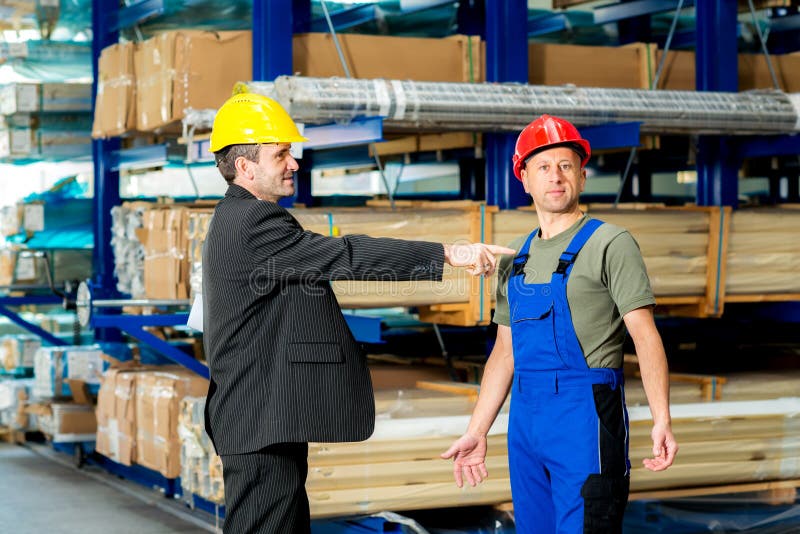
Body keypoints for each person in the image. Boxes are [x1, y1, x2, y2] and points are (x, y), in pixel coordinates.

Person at [201, 92, 514, 534]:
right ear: (246, 167)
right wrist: (450, 253)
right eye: (281, 154)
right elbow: (347, 256)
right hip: (259, 419)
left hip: (263, 416)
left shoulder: (236, 218)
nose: (293, 163)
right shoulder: (253, 222)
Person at [441, 115, 678, 533]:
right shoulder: (516, 256)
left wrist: (662, 418)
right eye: (544, 167)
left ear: (582, 177)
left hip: (584, 415)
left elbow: (645, 335)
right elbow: (504, 351)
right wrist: (478, 431)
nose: (556, 177)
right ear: (525, 178)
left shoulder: (611, 243)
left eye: (566, 166)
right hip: (525, 422)